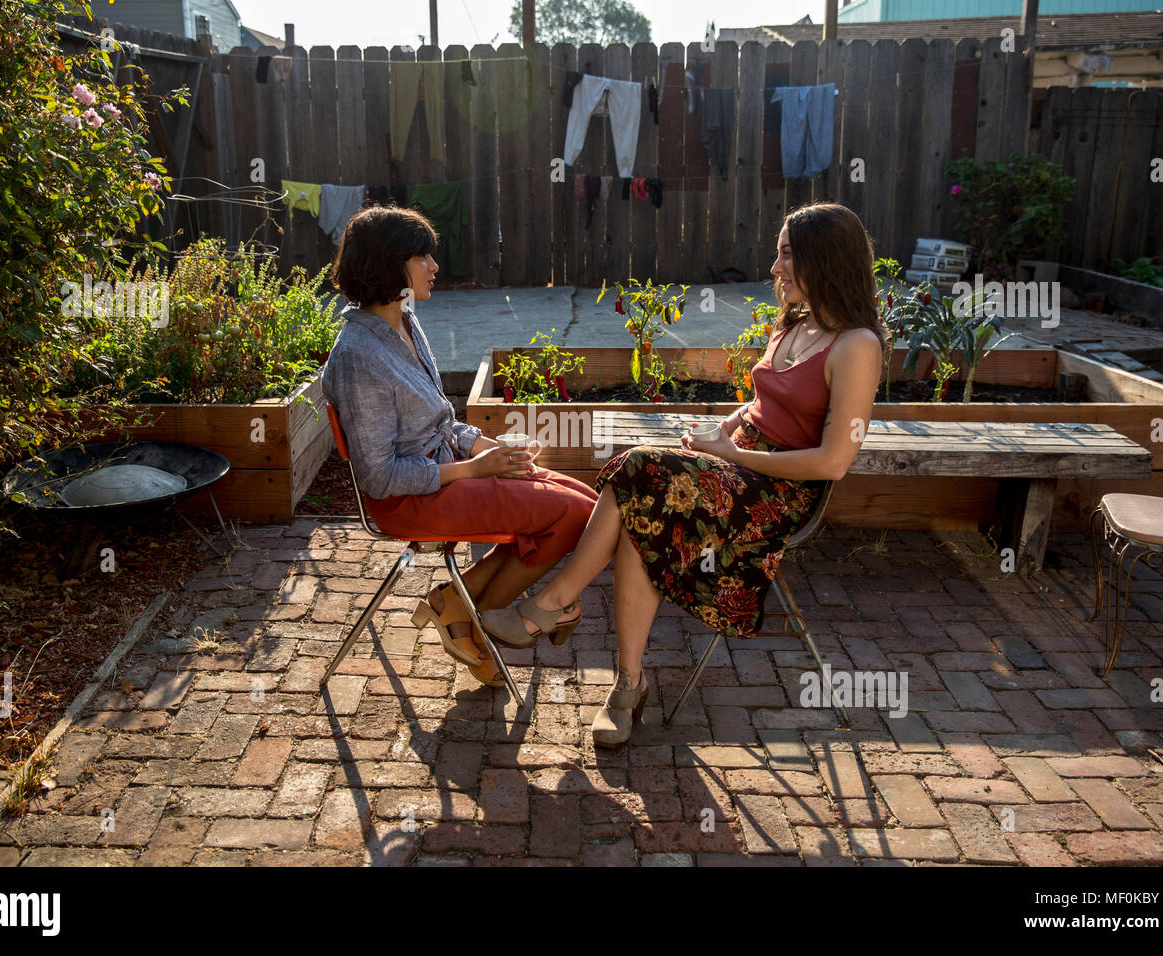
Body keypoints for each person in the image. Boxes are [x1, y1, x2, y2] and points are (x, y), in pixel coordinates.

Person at [482, 203, 885, 746]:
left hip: (779, 494)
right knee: (637, 507)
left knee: (637, 471)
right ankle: (626, 684)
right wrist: (722, 431)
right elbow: (762, 408)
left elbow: (833, 462)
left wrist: (734, 455)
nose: (774, 268)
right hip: (736, 468)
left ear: (826, 257)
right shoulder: (795, 325)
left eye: (787, 254)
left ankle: (552, 606)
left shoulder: (857, 345)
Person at [322, 205, 599, 687]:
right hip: (409, 500)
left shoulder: (404, 320)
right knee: (571, 517)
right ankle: (471, 613)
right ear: (391, 263)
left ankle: (458, 604)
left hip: (447, 472)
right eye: (423, 256)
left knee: (591, 507)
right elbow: (379, 478)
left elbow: (442, 422)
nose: (434, 267)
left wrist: (489, 448)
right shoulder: (357, 357)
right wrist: (476, 470)